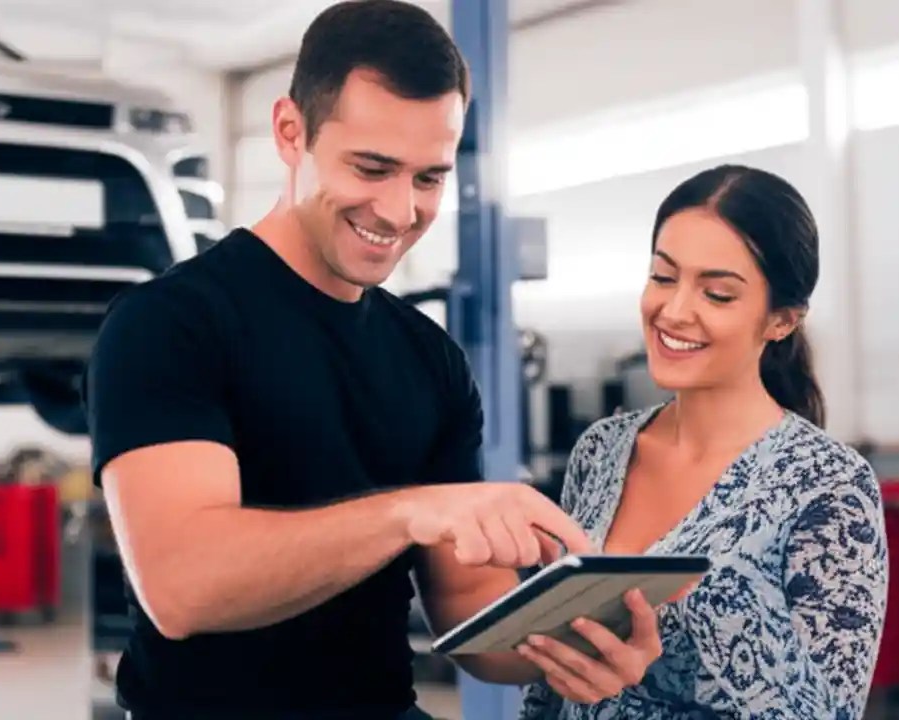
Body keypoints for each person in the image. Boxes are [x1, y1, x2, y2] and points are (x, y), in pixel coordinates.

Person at [83, 2, 662, 718]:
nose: (399, 210)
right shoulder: (170, 324)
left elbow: (468, 606)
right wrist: (412, 512)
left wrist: (573, 644)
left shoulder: (431, 359)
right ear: (290, 132)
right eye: (372, 168)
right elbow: (183, 587)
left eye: (429, 178)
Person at [518, 165, 890, 719]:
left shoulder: (828, 484)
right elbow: (549, 681)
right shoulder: (602, 449)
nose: (673, 311)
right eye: (663, 276)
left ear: (781, 321)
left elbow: (827, 714)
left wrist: (706, 611)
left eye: (717, 294)